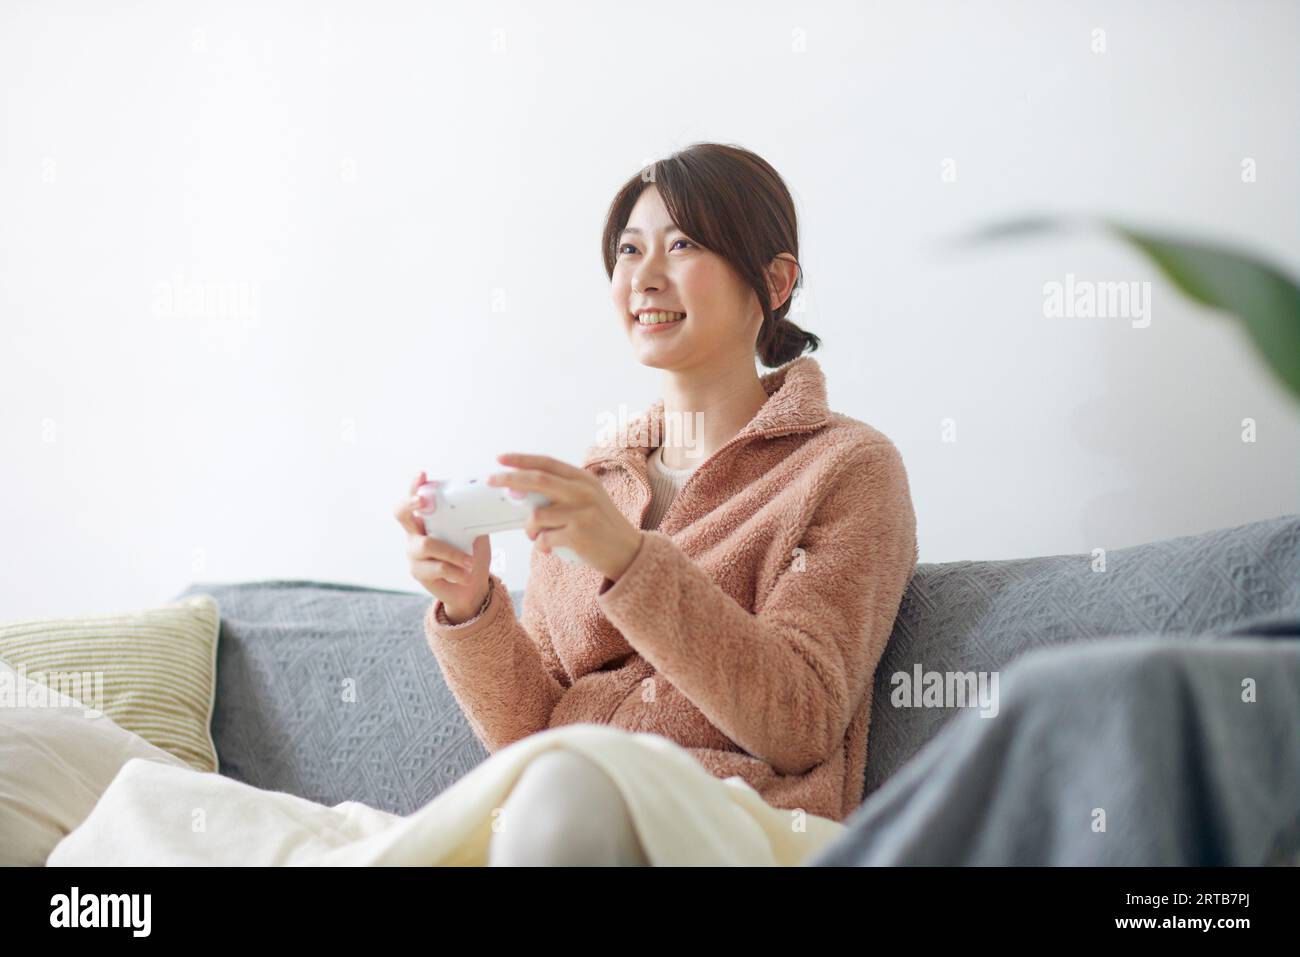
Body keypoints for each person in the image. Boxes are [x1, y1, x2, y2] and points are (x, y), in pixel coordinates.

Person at [394, 142, 919, 866]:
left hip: (742, 824)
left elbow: (802, 717)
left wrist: (631, 560)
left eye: (682, 244)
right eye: (628, 250)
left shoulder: (846, 467)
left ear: (775, 279)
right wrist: (471, 607)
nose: (644, 275)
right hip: (570, 816)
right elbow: (537, 742)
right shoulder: (595, 486)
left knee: (564, 791)